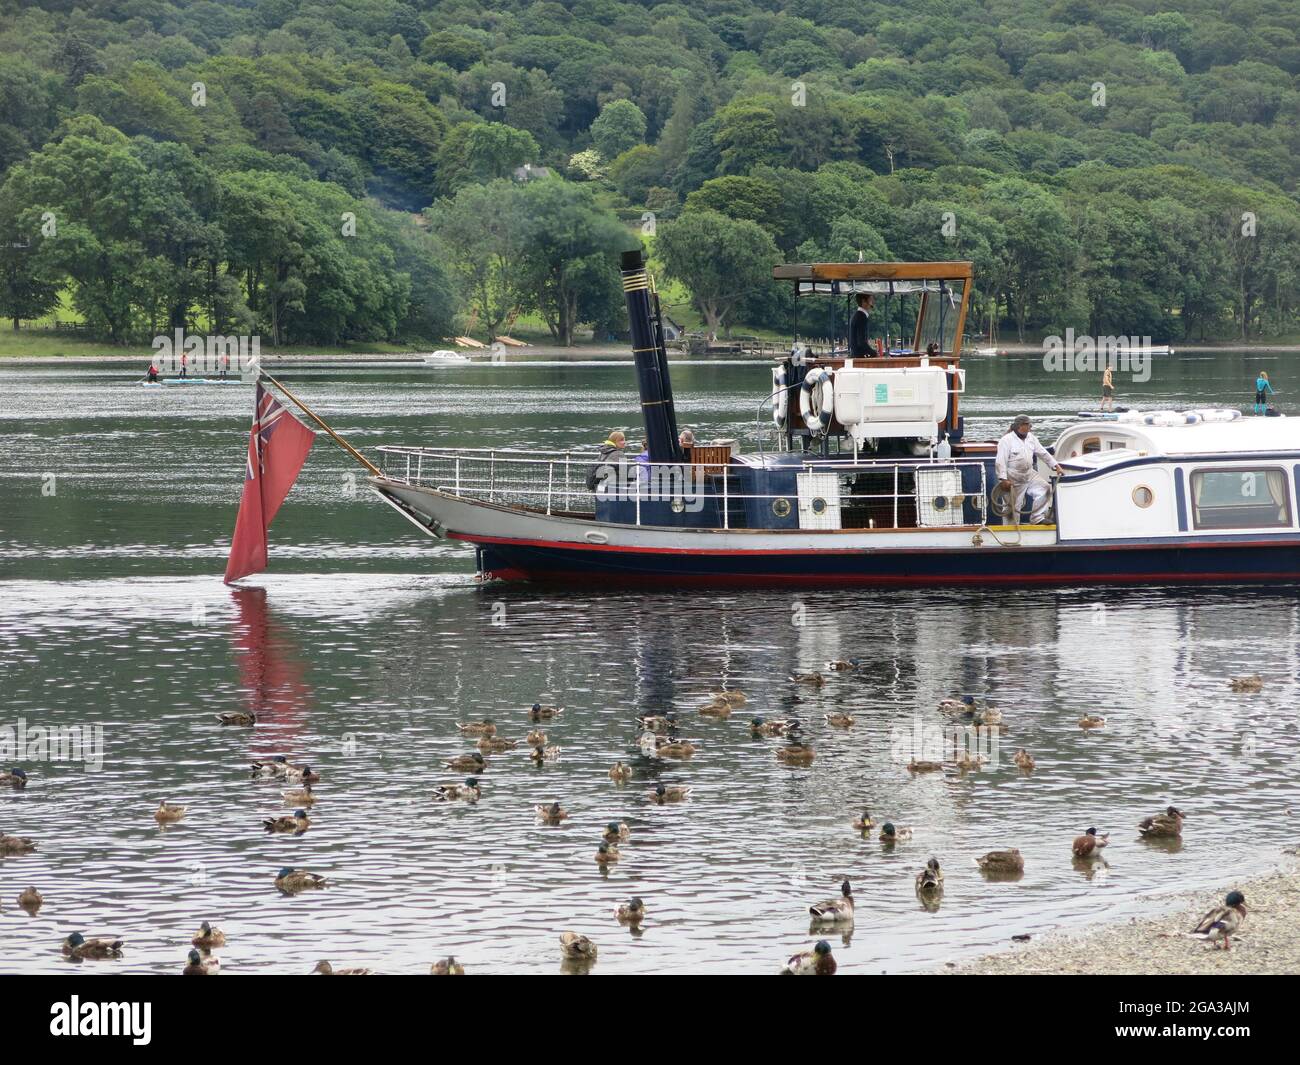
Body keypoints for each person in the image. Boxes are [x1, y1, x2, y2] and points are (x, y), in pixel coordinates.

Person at [995, 415, 1065, 524]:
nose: (1030, 427)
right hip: (1013, 477)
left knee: (1045, 489)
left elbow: (1043, 453)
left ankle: (1037, 518)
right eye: (1028, 425)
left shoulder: (1031, 438)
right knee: (1012, 507)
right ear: (1020, 426)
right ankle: (1010, 532)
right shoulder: (1006, 440)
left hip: (1029, 474)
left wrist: (1056, 466)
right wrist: (1003, 479)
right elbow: (1000, 461)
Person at [848, 292, 874, 358]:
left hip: (856, 355)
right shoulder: (861, 317)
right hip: (859, 357)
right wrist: (874, 353)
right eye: (870, 300)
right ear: (864, 301)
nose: (872, 302)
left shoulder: (858, 315)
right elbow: (861, 342)